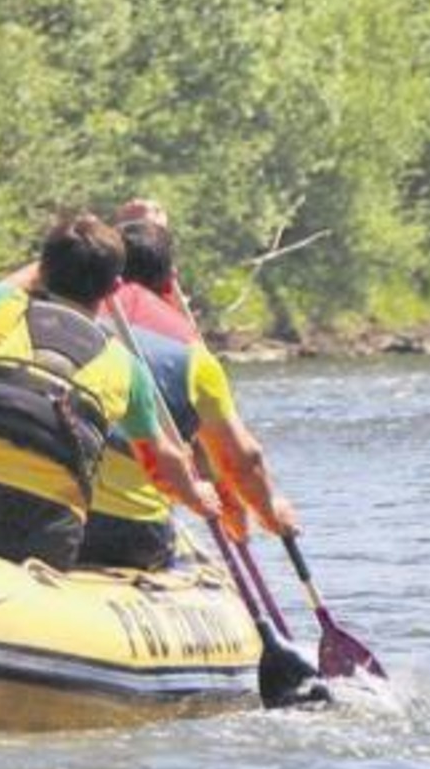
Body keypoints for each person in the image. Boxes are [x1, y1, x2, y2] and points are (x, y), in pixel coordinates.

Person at [0, 211, 217, 569]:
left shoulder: (0, 314)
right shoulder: (126, 367)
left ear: (45, 270)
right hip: (44, 528)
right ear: (115, 288)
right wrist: (196, 497)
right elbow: (162, 459)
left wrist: (63, 252)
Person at [80, 213, 301, 569]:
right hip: (126, 529)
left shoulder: (65, 315)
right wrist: (270, 511)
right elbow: (239, 462)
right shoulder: (188, 351)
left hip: (47, 508)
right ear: (170, 282)